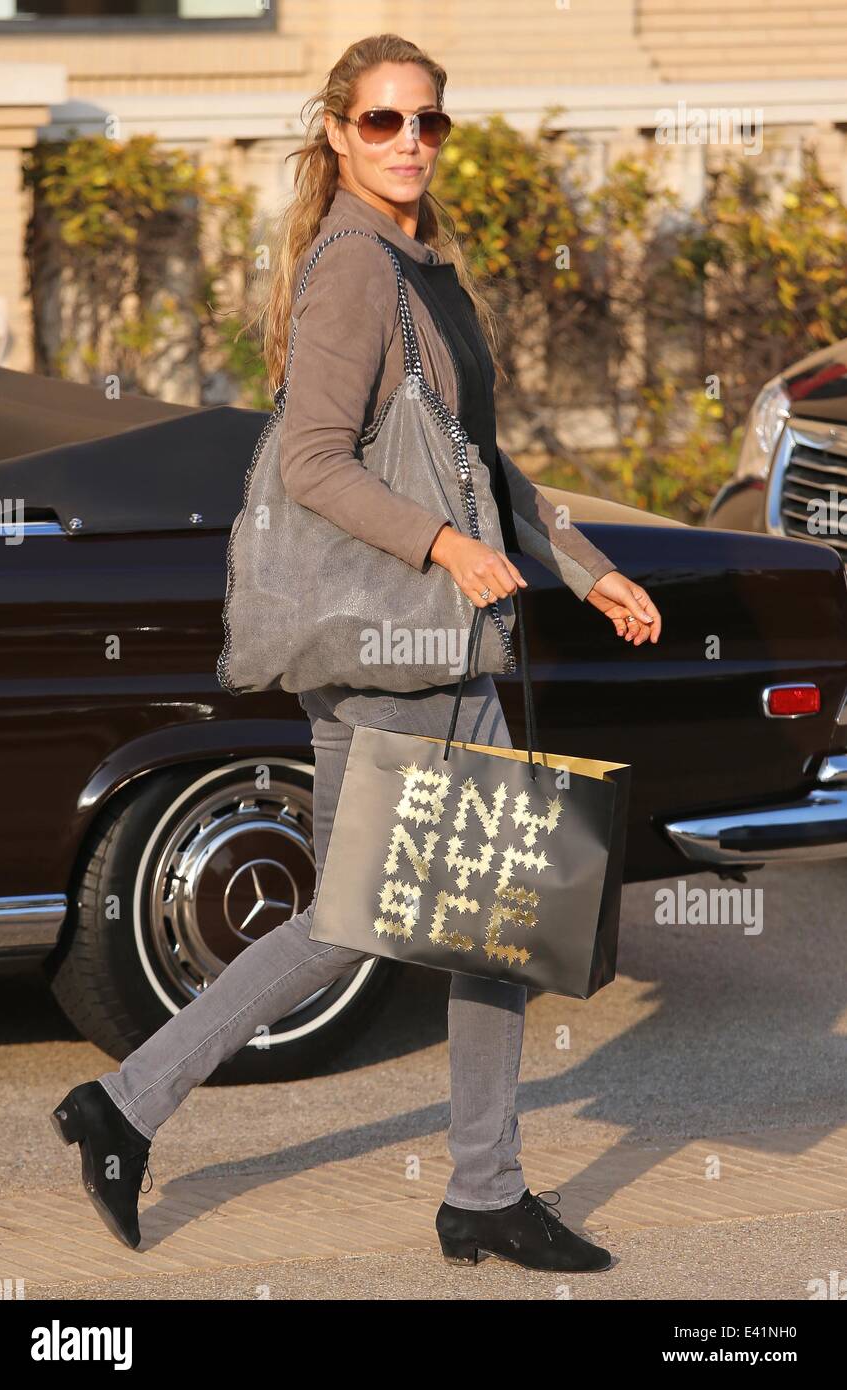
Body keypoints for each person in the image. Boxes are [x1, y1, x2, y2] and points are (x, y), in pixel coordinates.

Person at [51, 32, 661, 1275]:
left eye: (426, 122)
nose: (408, 143)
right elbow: (316, 461)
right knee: (368, 920)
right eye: (381, 122)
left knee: (483, 919)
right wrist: (445, 547)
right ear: (336, 131)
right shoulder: (353, 269)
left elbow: (478, 460)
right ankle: (132, 1105)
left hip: (436, 647)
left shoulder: (420, 262)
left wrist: (588, 569)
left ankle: (477, 1188)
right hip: (400, 650)